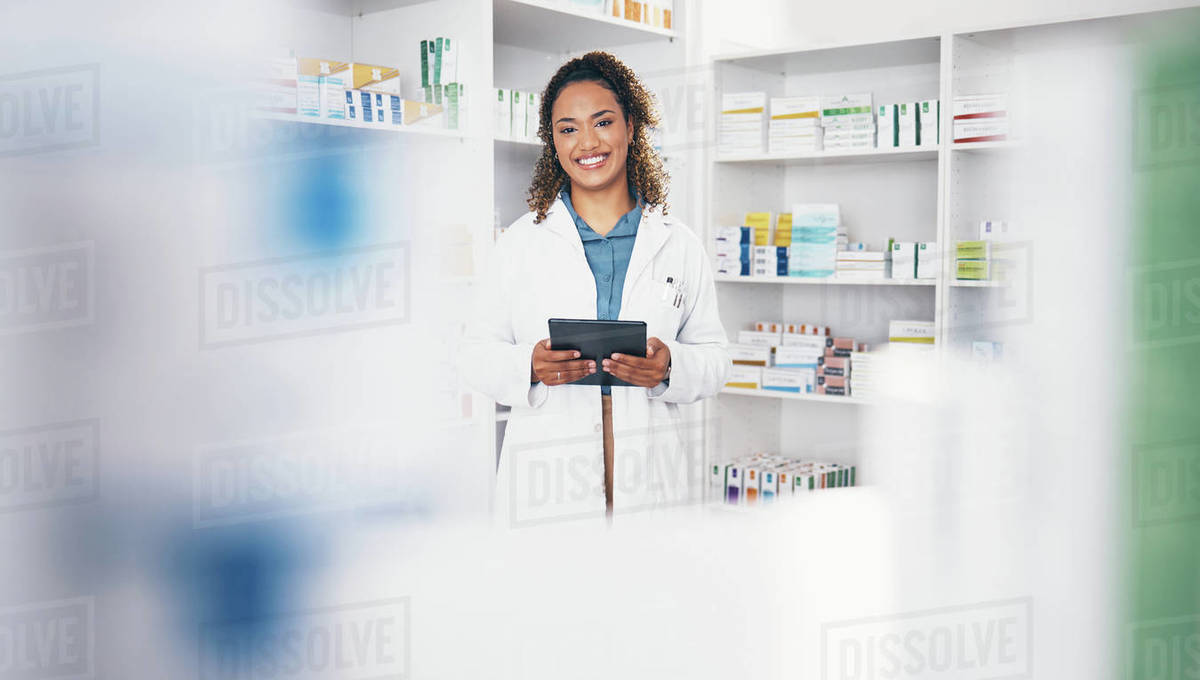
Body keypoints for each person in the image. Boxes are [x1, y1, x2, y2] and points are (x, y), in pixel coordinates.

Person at [461, 51, 730, 524]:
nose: (587, 141)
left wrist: (671, 367)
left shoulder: (678, 244)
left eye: (602, 122)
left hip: (652, 486)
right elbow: (475, 354)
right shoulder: (521, 243)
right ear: (554, 143)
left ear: (630, 125)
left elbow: (715, 356)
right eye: (568, 129)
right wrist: (529, 364)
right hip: (547, 488)